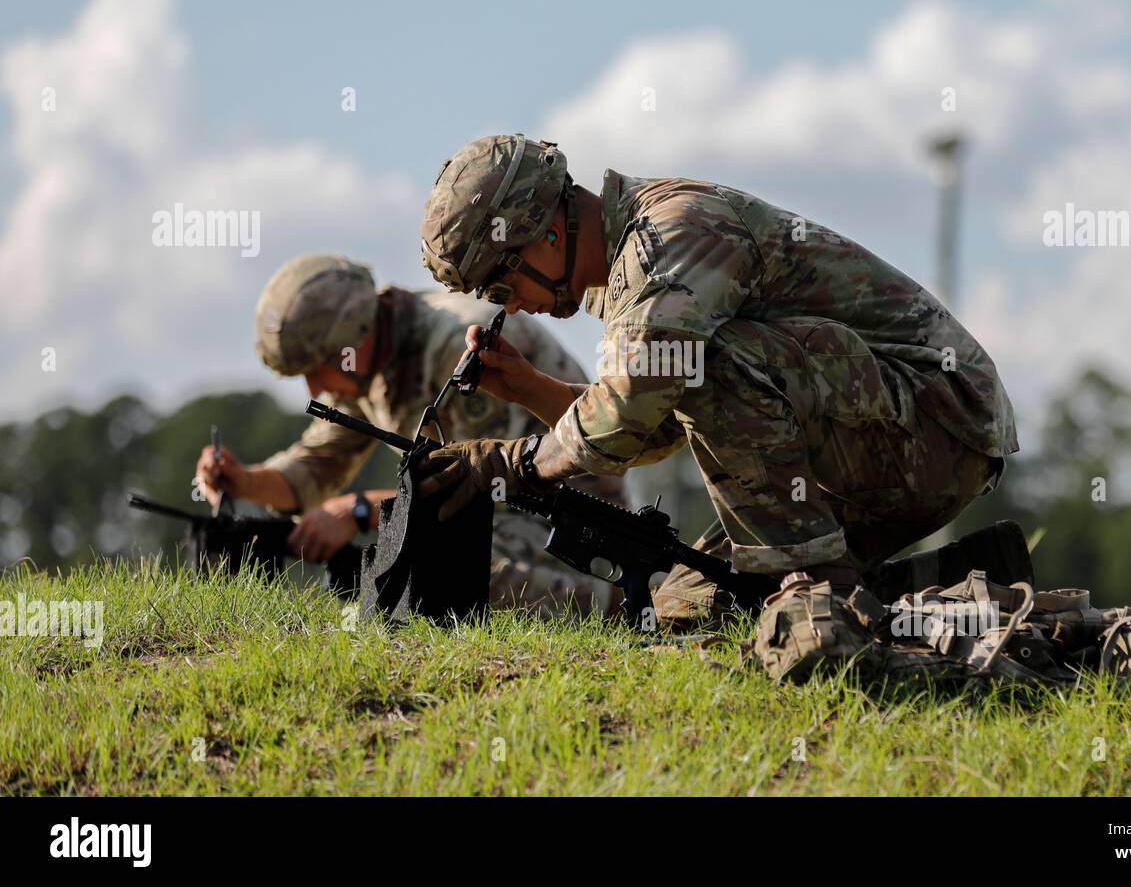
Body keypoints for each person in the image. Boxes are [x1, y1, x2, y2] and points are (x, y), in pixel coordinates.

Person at [412, 134, 1022, 675]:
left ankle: (813, 587)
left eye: (501, 283)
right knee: (690, 605)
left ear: (544, 233)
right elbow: (659, 425)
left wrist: (513, 462)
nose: (511, 306)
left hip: (941, 424)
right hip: (873, 444)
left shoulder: (671, 236)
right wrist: (530, 391)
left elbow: (636, 409)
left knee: (705, 368)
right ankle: (955, 586)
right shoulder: (625, 274)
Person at [193, 253, 623, 619]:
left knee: (445, 575)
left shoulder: (454, 348)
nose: (312, 389)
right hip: (497, 507)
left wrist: (360, 510)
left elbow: (488, 490)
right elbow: (314, 468)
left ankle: (619, 606)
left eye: (314, 368)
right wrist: (244, 480)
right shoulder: (365, 364)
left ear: (351, 337)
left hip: (561, 515)